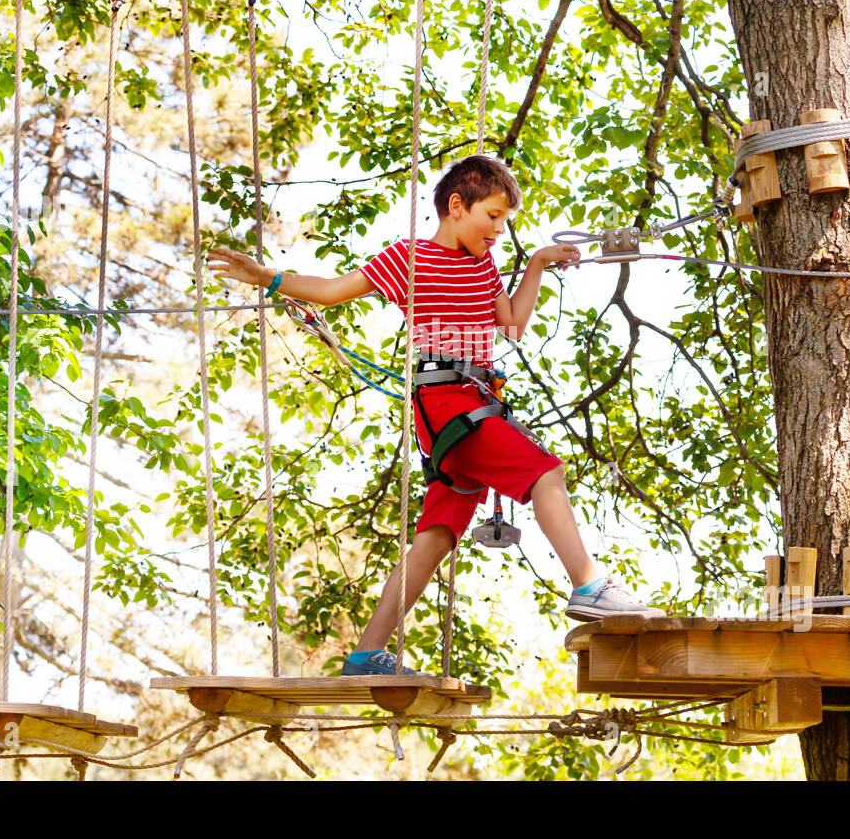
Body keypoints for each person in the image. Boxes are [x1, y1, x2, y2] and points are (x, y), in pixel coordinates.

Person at [208, 154, 662, 677]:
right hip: (449, 405)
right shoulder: (410, 259)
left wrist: (535, 263)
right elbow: (332, 292)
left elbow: (511, 322)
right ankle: (589, 586)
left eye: (504, 222)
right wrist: (266, 277)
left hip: (472, 403)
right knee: (546, 472)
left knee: (437, 533)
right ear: (456, 206)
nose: (498, 230)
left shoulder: (482, 266)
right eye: (492, 216)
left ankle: (365, 655)